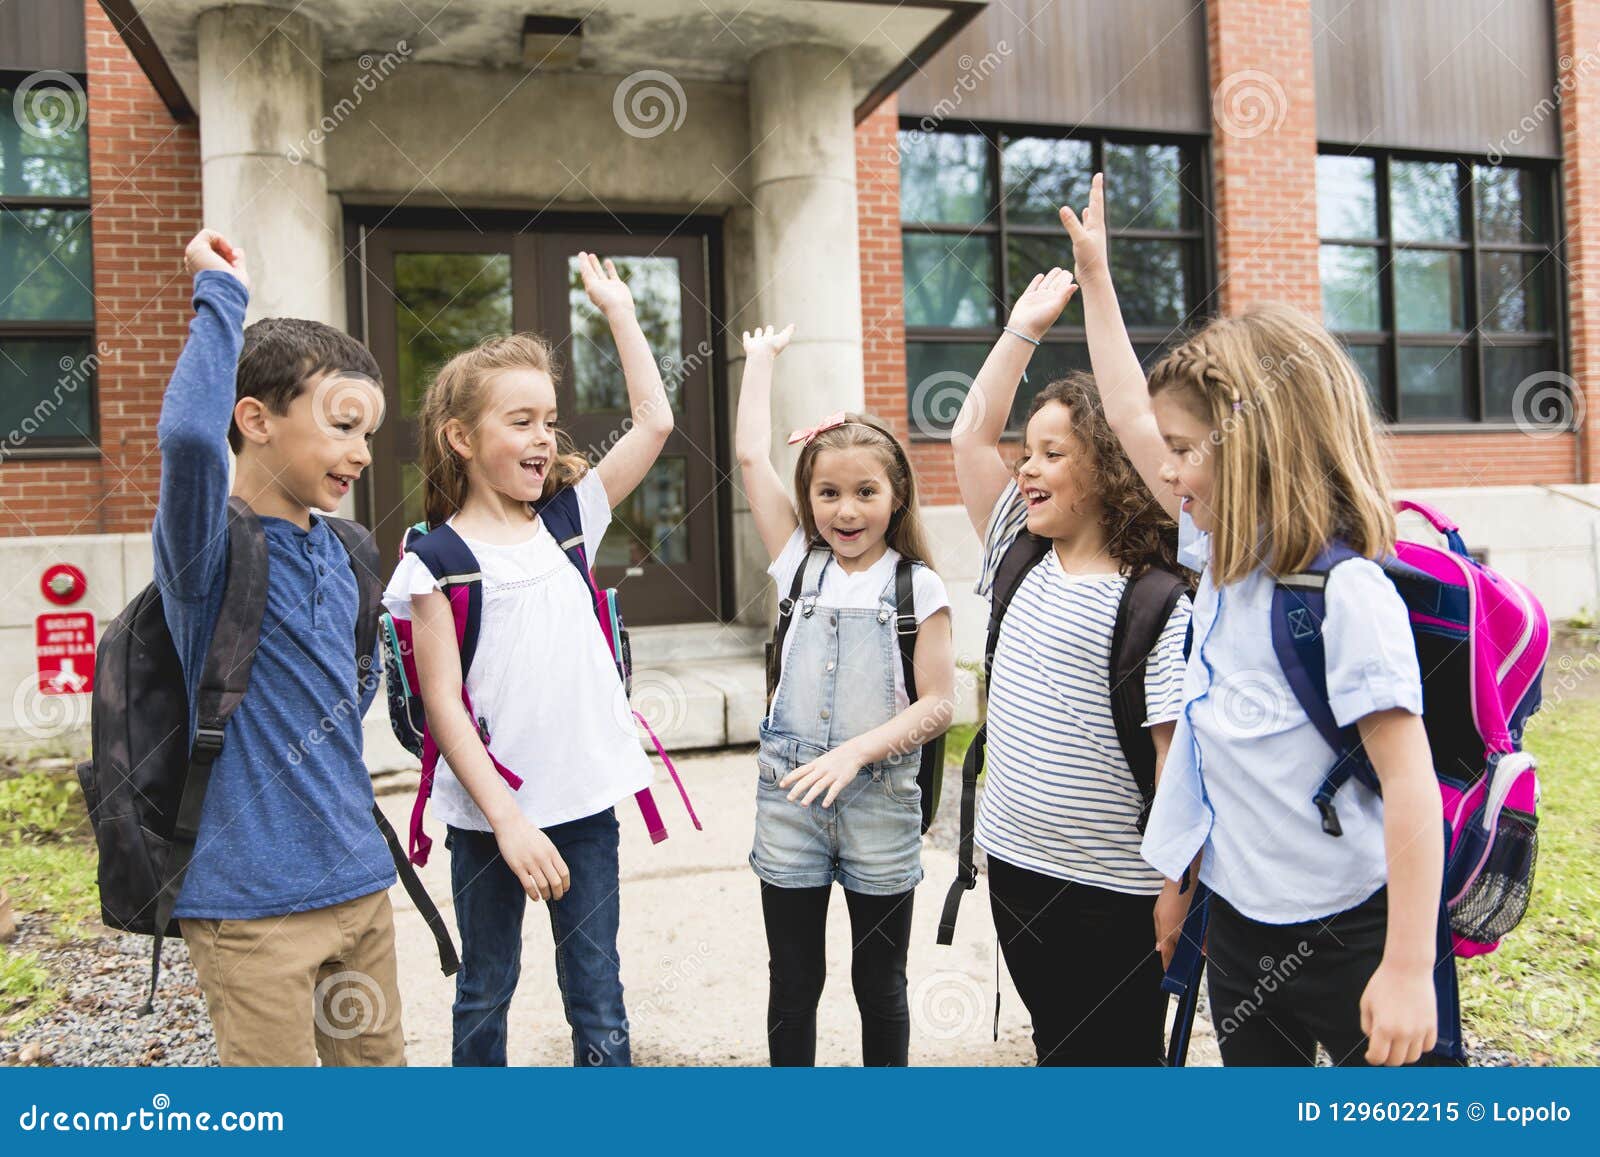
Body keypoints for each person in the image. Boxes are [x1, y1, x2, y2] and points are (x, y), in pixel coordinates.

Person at [1065, 173, 1444, 1066]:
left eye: (1188, 451)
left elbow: (1412, 790)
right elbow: (1128, 417)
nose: (1171, 473)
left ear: (1254, 447)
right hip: (1238, 927)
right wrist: (1097, 282)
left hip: (1357, 935)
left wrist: (1408, 965)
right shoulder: (1219, 561)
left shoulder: (1346, 598)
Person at [384, 254, 674, 1067]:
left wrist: (618, 309)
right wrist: (508, 820)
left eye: (548, 419)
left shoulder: (570, 520)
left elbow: (653, 422)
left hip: (583, 808)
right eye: (520, 420)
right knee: (486, 990)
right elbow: (442, 702)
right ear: (462, 438)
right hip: (487, 823)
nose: (543, 435)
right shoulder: (434, 559)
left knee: (598, 994)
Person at [159, 229, 404, 1065]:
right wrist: (221, 294)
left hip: (360, 888)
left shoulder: (351, 551)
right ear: (255, 419)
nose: (361, 453)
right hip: (252, 910)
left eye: (367, 432)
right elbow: (191, 443)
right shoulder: (207, 551)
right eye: (342, 425)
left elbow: (356, 683)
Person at [950, 268, 1193, 1065]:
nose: (1027, 468)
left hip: (1114, 892)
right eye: (1028, 453)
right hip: (1016, 867)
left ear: (1112, 468)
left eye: (1053, 453)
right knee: (1058, 1049)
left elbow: (1172, 762)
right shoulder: (1015, 550)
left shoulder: (1155, 599)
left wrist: (1175, 888)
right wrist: (1022, 325)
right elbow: (967, 436)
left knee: (1121, 1062)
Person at [735, 322, 956, 1066]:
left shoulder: (916, 585)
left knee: (880, 981)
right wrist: (760, 361)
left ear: (896, 496)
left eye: (866, 492)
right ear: (809, 498)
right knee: (793, 979)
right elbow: (746, 455)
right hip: (791, 799)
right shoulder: (799, 561)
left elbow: (939, 706)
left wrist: (857, 753)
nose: (846, 510)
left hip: (880, 802)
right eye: (828, 493)